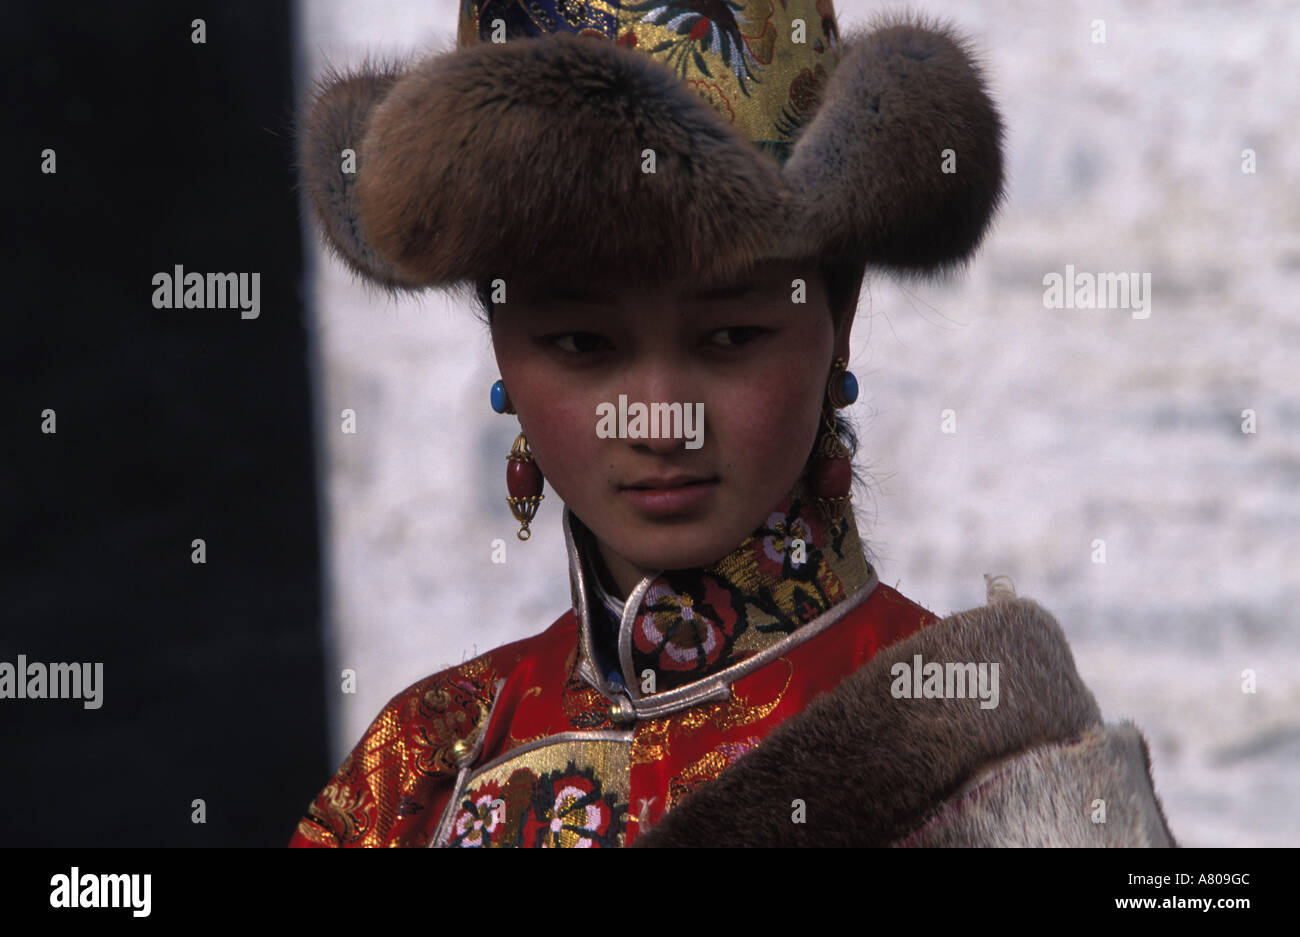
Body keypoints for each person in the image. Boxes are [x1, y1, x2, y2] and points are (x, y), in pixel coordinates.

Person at [289, 0, 1175, 847]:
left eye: (732, 336)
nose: (660, 416)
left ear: (842, 316)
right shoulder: (419, 778)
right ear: (500, 342)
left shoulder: (994, 753)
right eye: (582, 343)